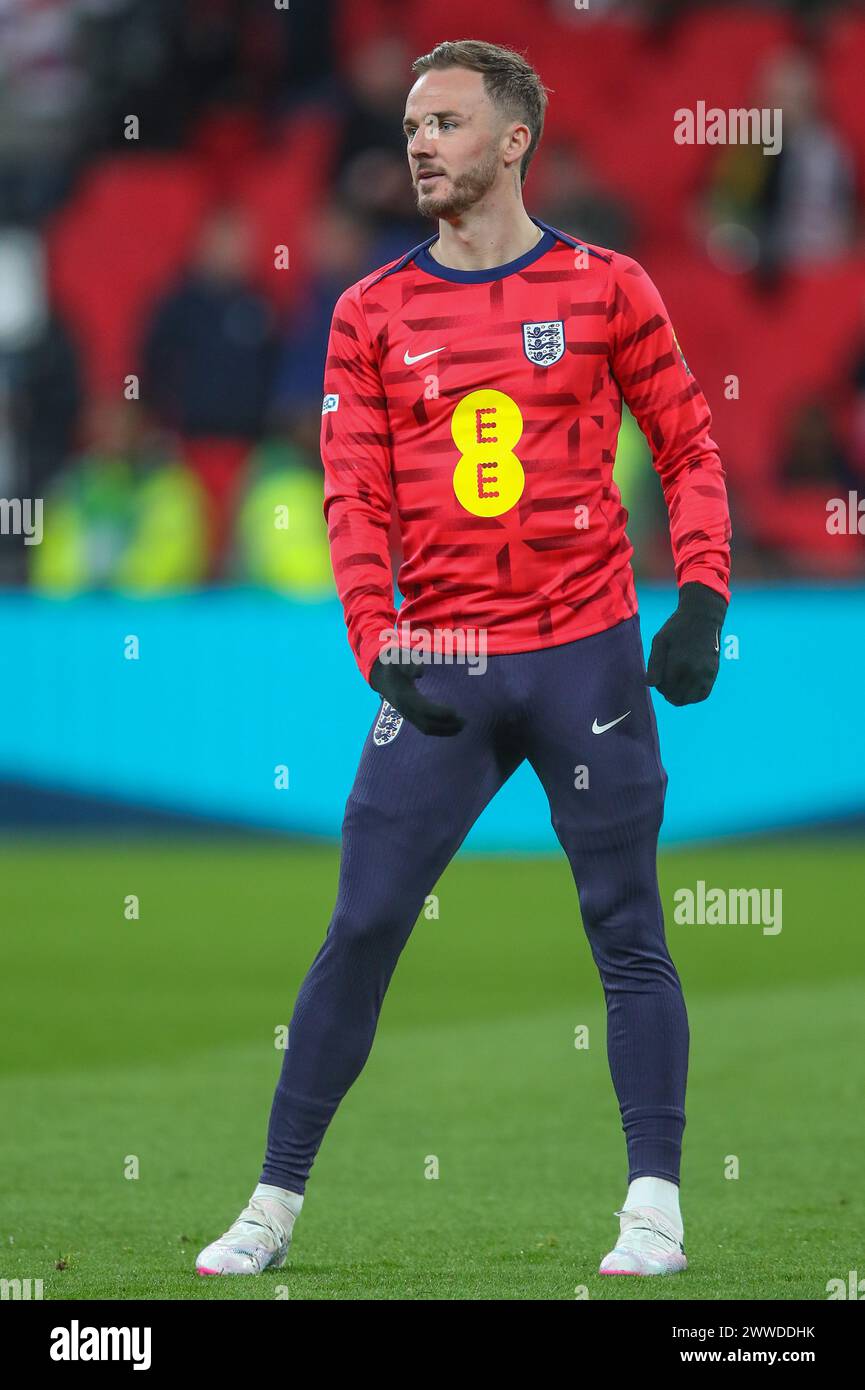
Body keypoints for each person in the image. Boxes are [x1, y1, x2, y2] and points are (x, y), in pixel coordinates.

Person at [197, 38, 731, 1281]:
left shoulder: (609, 289)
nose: (420, 143)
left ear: (512, 141)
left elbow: (690, 447)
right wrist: (374, 640)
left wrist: (700, 597)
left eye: (445, 122)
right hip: (441, 662)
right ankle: (272, 1204)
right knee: (367, 919)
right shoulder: (369, 311)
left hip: (586, 652)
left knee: (625, 926)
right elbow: (352, 493)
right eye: (411, 125)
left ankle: (653, 1203)